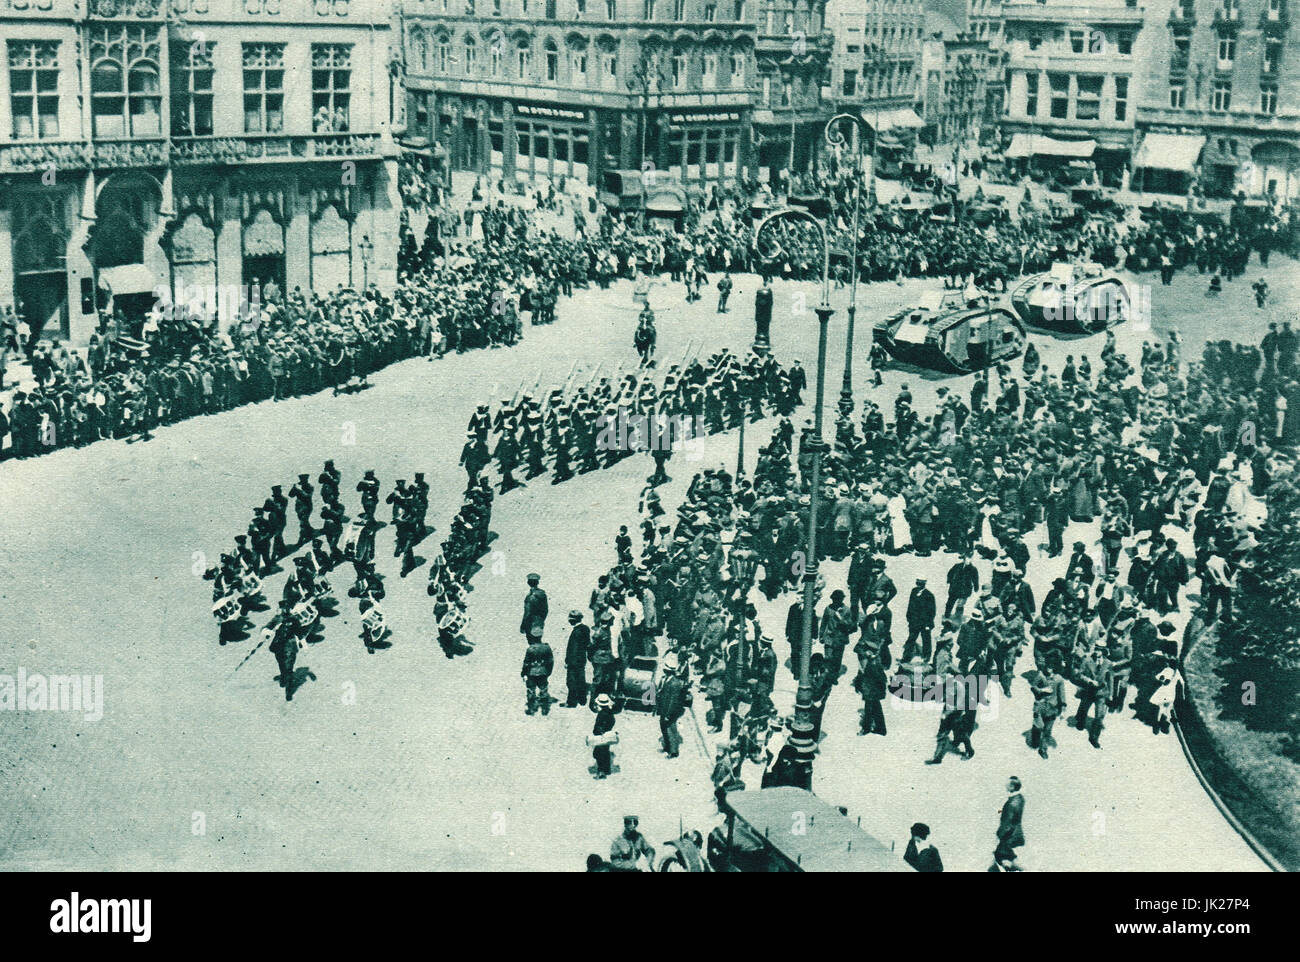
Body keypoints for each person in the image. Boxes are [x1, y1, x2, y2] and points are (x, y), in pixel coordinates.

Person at [991, 777, 1025, 872]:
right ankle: (1009, 868)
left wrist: (999, 835)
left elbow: (1007, 823)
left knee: (1000, 856)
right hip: (1013, 835)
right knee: (1004, 858)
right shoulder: (1018, 799)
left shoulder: (1012, 803)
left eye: (1008, 784)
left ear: (1012, 787)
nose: (1005, 785)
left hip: (1008, 837)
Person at [521, 624, 554, 716]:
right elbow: (550, 661)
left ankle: (531, 709)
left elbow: (526, 663)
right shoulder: (546, 647)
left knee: (531, 690)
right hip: (543, 672)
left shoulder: (530, 649)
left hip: (531, 673)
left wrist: (523, 673)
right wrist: (548, 671)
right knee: (543, 689)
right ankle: (544, 709)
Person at [903, 576, 936, 661]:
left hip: (924, 623)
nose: (918, 585)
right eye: (917, 583)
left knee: (926, 640)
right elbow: (910, 605)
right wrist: (908, 617)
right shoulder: (914, 591)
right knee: (911, 639)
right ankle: (906, 657)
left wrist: (928, 624)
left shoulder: (929, 595)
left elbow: (932, 612)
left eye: (920, 584)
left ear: (924, 584)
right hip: (914, 622)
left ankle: (926, 657)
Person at [563, 610, 591, 707]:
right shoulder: (585, 629)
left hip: (574, 661)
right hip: (582, 659)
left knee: (571, 681)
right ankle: (582, 700)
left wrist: (568, 661)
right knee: (581, 679)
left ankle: (571, 702)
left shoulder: (576, 632)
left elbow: (573, 649)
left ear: (573, 620)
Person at [591, 692, 617, 778]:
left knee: (599, 754)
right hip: (607, 735)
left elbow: (599, 726)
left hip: (601, 736)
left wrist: (599, 731)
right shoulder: (609, 712)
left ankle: (601, 772)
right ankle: (606, 770)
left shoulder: (602, 714)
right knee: (605, 752)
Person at [520, 572, 548, 639]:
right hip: (539, 622)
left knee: (532, 643)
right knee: (538, 641)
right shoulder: (542, 594)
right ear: (537, 582)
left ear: (528, 582)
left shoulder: (531, 596)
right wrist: (541, 620)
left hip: (530, 623)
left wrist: (523, 625)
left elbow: (527, 612)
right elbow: (546, 610)